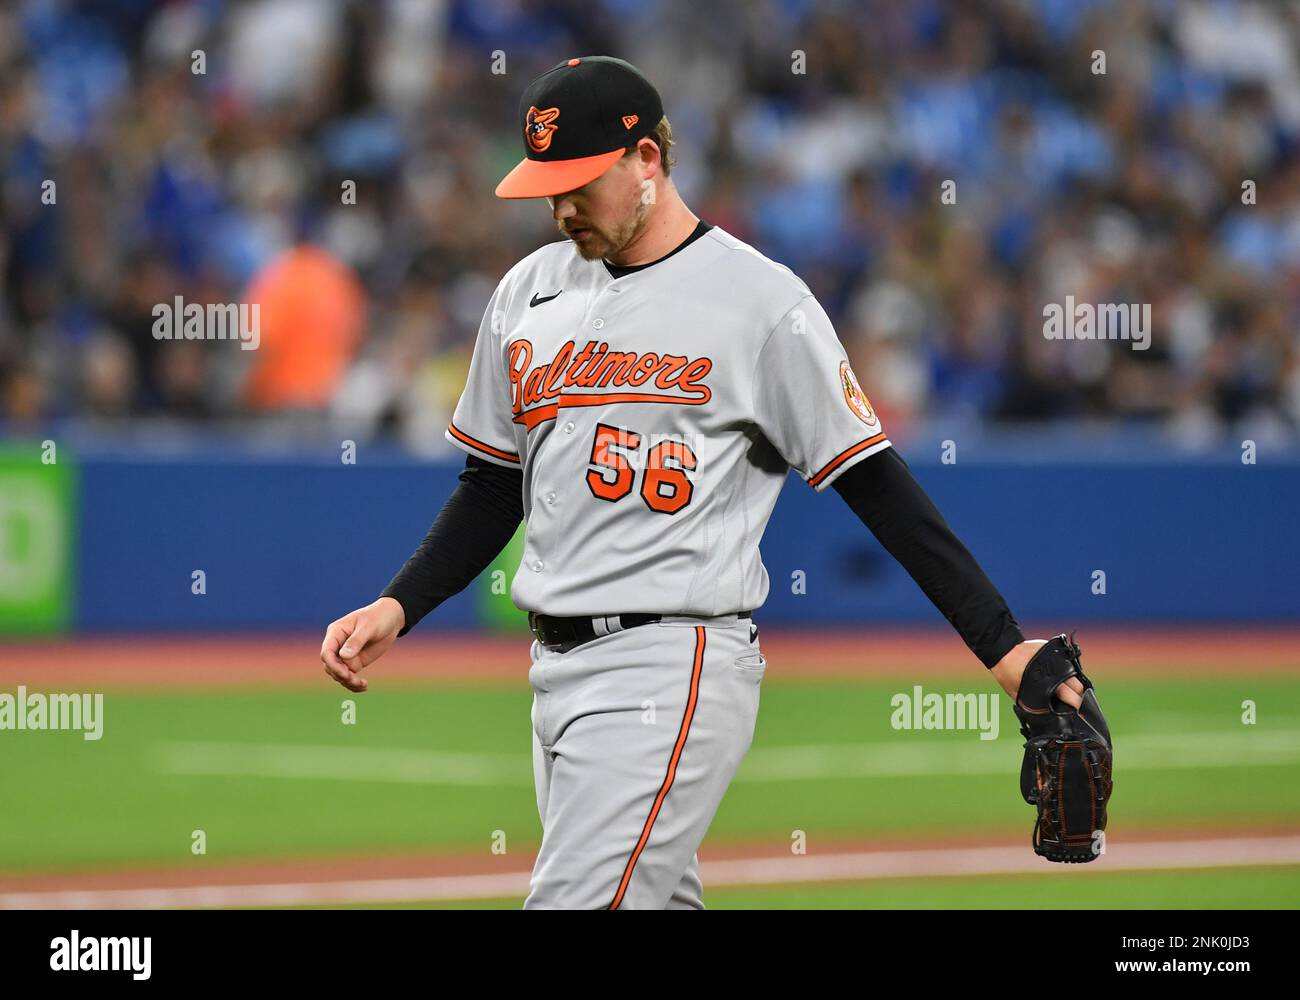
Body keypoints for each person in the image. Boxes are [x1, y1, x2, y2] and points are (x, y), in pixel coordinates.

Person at [320, 56, 1085, 909]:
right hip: (554, 670)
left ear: (647, 158)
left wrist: (1003, 645)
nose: (561, 205)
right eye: (546, 184)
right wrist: (399, 604)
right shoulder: (526, 292)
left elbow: (876, 482)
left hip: (672, 659)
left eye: (580, 180)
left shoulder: (760, 302)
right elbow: (495, 485)